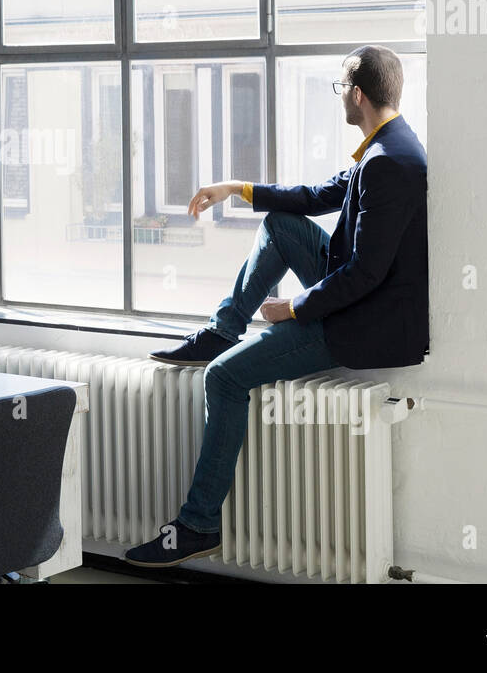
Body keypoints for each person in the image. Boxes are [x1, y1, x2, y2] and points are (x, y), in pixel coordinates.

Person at [124, 45, 428, 567]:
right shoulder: (386, 145)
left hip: (358, 319)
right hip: (349, 291)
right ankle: (224, 329)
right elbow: (313, 196)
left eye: (341, 89)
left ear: (357, 94)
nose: (341, 99)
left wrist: (295, 308)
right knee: (279, 225)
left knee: (222, 379)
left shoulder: (390, 163)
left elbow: (366, 274)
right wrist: (235, 189)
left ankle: (198, 525)